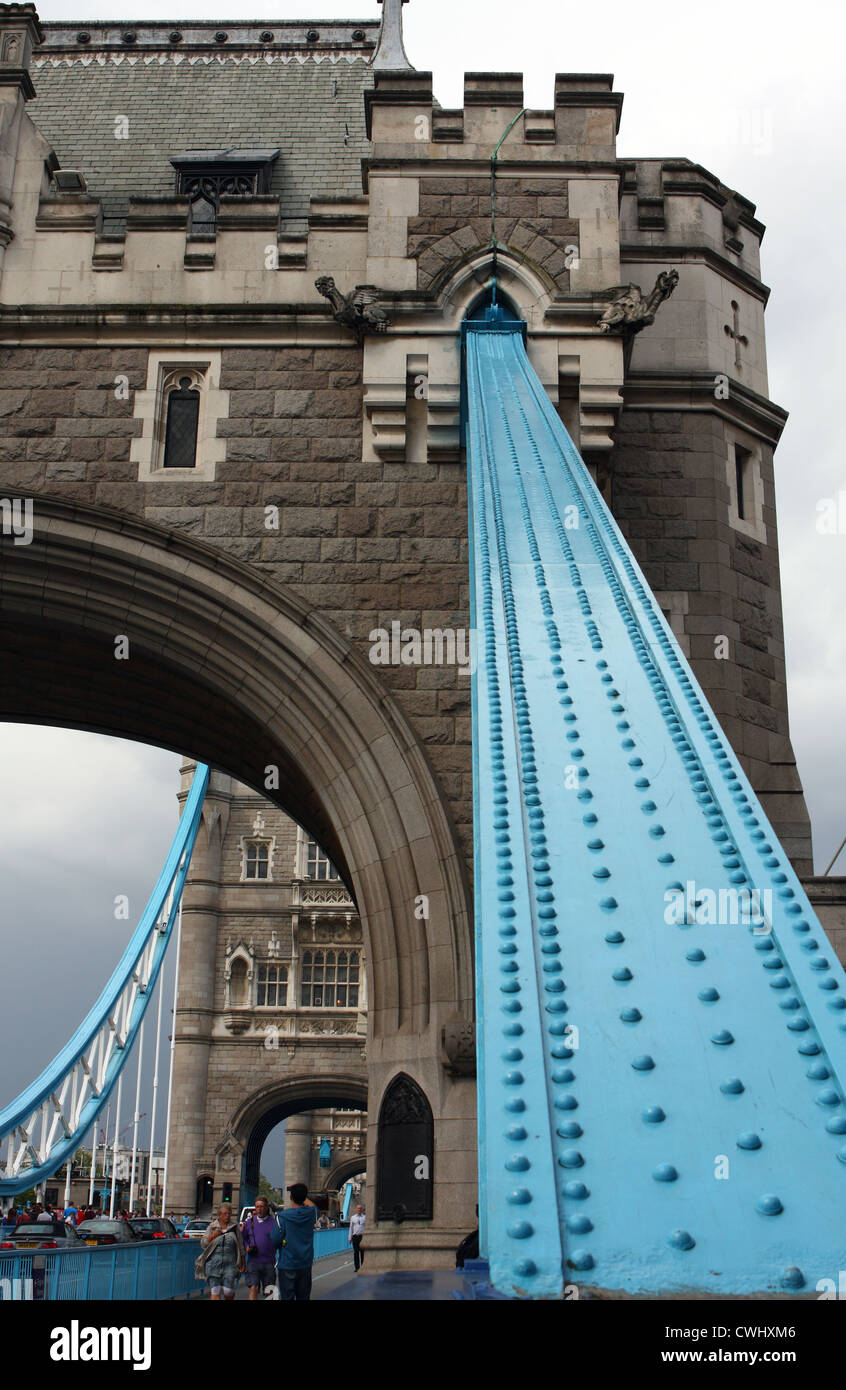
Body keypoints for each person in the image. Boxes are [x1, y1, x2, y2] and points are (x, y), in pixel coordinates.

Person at [273, 1184, 317, 1302]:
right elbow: (312, 1205)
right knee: (304, 1297)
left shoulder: (282, 1216)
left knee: (287, 1297)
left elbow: (275, 1239)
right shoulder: (311, 1213)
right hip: (305, 1262)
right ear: (305, 1197)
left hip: (288, 1262)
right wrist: (303, 1195)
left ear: (291, 1197)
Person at [200, 1203, 245, 1302]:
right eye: (224, 1214)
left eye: (229, 1214)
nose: (227, 1216)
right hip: (213, 1264)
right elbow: (203, 1244)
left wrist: (242, 1263)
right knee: (215, 1291)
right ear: (219, 1215)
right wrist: (212, 1236)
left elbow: (241, 1246)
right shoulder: (212, 1227)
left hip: (230, 1264)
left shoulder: (234, 1227)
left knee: (228, 1292)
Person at [241, 1196, 278, 1302]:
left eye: (262, 1206)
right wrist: (247, 1245)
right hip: (253, 1262)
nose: (259, 1209)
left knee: (269, 1292)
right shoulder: (249, 1222)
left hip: (269, 1262)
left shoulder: (273, 1223)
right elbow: (243, 1238)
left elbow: (279, 1240)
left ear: (266, 1207)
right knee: (253, 1288)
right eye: (257, 1207)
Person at [348, 1204, 366, 1272]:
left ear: (362, 1210)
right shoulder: (353, 1217)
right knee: (356, 1253)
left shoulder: (364, 1217)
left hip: (362, 1237)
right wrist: (349, 1238)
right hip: (355, 1237)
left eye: (360, 1208)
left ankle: (363, 1266)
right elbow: (351, 1228)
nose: (359, 1210)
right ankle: (357, 1267)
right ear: (356, 1209)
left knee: (362, 1253)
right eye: (358, 1208)